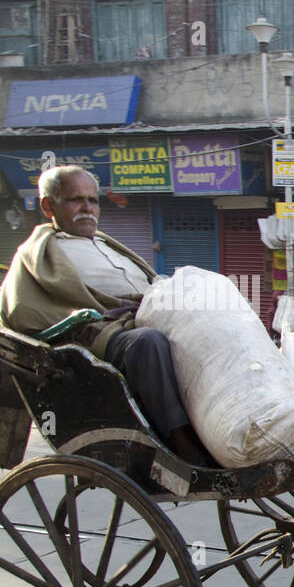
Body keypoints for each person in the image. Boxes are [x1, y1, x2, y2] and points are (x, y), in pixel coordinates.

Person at [0, 165, 208, 464]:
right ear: (49, 205)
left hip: (149, 311)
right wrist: (86, 317)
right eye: (75, 200)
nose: (87, 208)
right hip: (101, 332)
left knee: (215, 328)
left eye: (93, 200)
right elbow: (20, 311)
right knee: (146, 343)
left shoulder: (108, 244)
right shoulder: (37, 253)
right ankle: (181, 439)